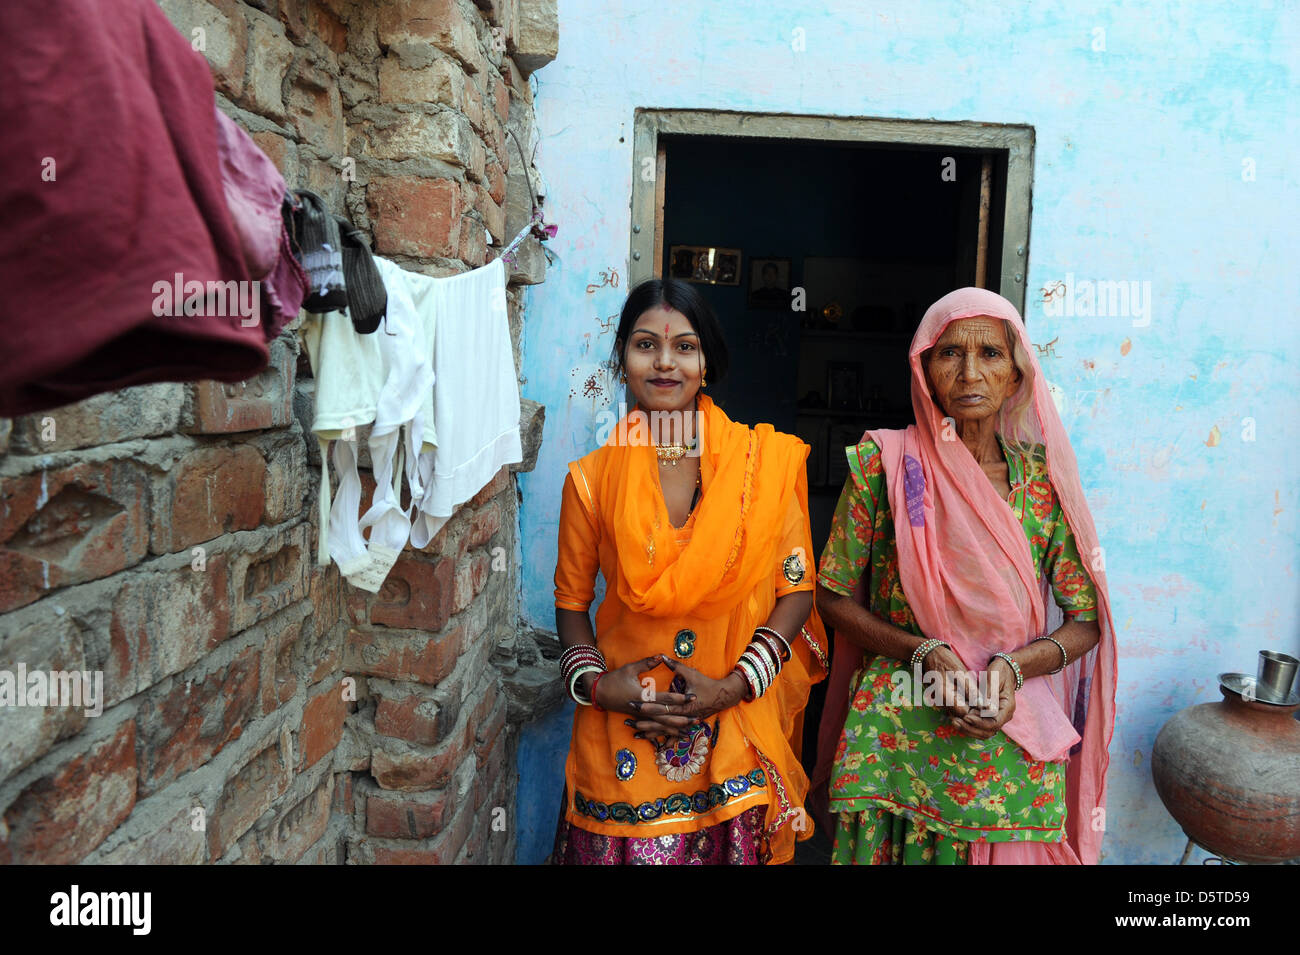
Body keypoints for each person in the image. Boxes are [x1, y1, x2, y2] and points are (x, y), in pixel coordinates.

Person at [811, 286, 1116, 865]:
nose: (970, 372)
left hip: (1009, 716)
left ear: (1017, 374)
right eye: (949, 353)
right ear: (924, 367)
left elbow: (1085, 621)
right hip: (897, 732)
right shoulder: (885, 463)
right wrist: (922, 652)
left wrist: (1012, 667)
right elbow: (831, 598)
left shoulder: (1042, 482)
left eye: (991, 354)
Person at [551, 277, 828, 865]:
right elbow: (571, 605)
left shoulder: (762, 466)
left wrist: (729, 689)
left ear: (707, 362)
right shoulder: (590, 480)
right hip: (620, 730)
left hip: (730, 727)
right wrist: (603, 688)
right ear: (622, 357)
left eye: (685, 346)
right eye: (646, 345)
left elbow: (796, 591)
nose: (665, 362)